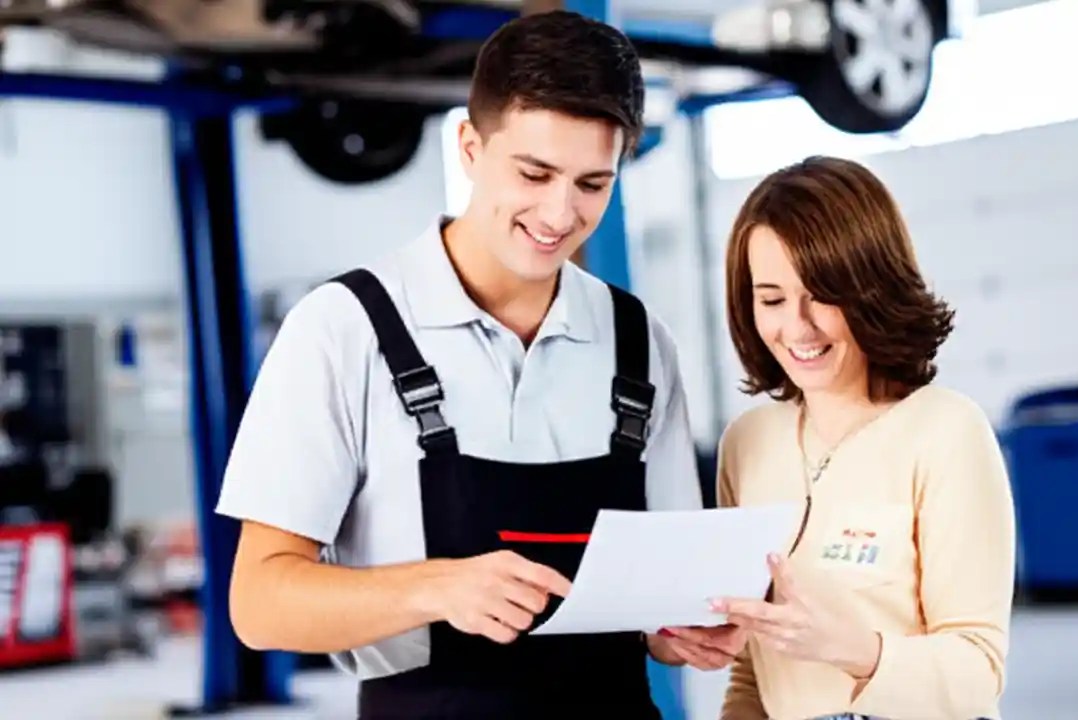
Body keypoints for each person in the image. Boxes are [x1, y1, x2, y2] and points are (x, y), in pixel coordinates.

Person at [214, 11, 743, 719]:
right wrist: (437, 588)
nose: (559, 213)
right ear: (469, 145)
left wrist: (684, 632)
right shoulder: (343, 331)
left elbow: (664, 602)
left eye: (592, 183)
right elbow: (259, 603)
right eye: (534, 172)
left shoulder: (638, 340)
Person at [700, 155, 1015, 720]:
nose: (797, 328)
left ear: (873, 289)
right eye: (771, 299)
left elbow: (978, 670)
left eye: (822, 296)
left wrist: (855, 650)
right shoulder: (747, 443)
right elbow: (753, 671)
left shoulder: (946, 432)